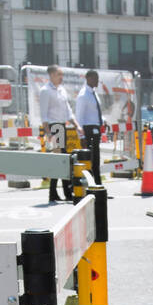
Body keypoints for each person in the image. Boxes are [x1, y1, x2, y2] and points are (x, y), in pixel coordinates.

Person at [39, 65, 78, 204]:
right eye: (58, 75)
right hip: (54, 127)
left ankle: (55, 192)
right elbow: (43, 114)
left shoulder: (62, 90)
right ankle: (62, 192)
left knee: (62, 159)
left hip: (62, 126)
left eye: (61, 75)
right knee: (60, 160)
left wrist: (76, 124)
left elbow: (68, 110)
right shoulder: (45, 91)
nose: (61, 77)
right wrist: (48, 132)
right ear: (51, 75)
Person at [75, 68, 106, 184]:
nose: (97, 81)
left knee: (96, 159)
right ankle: (92, 185)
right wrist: (81, 136)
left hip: (95, 129)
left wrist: (103, 121)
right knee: (91, 160)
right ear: (88, 78)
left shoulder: (93, 94)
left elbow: (94, 112)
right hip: (88, 130)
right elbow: (79, 117)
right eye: (95, 78)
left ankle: (98, 184)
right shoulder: (83, 95)